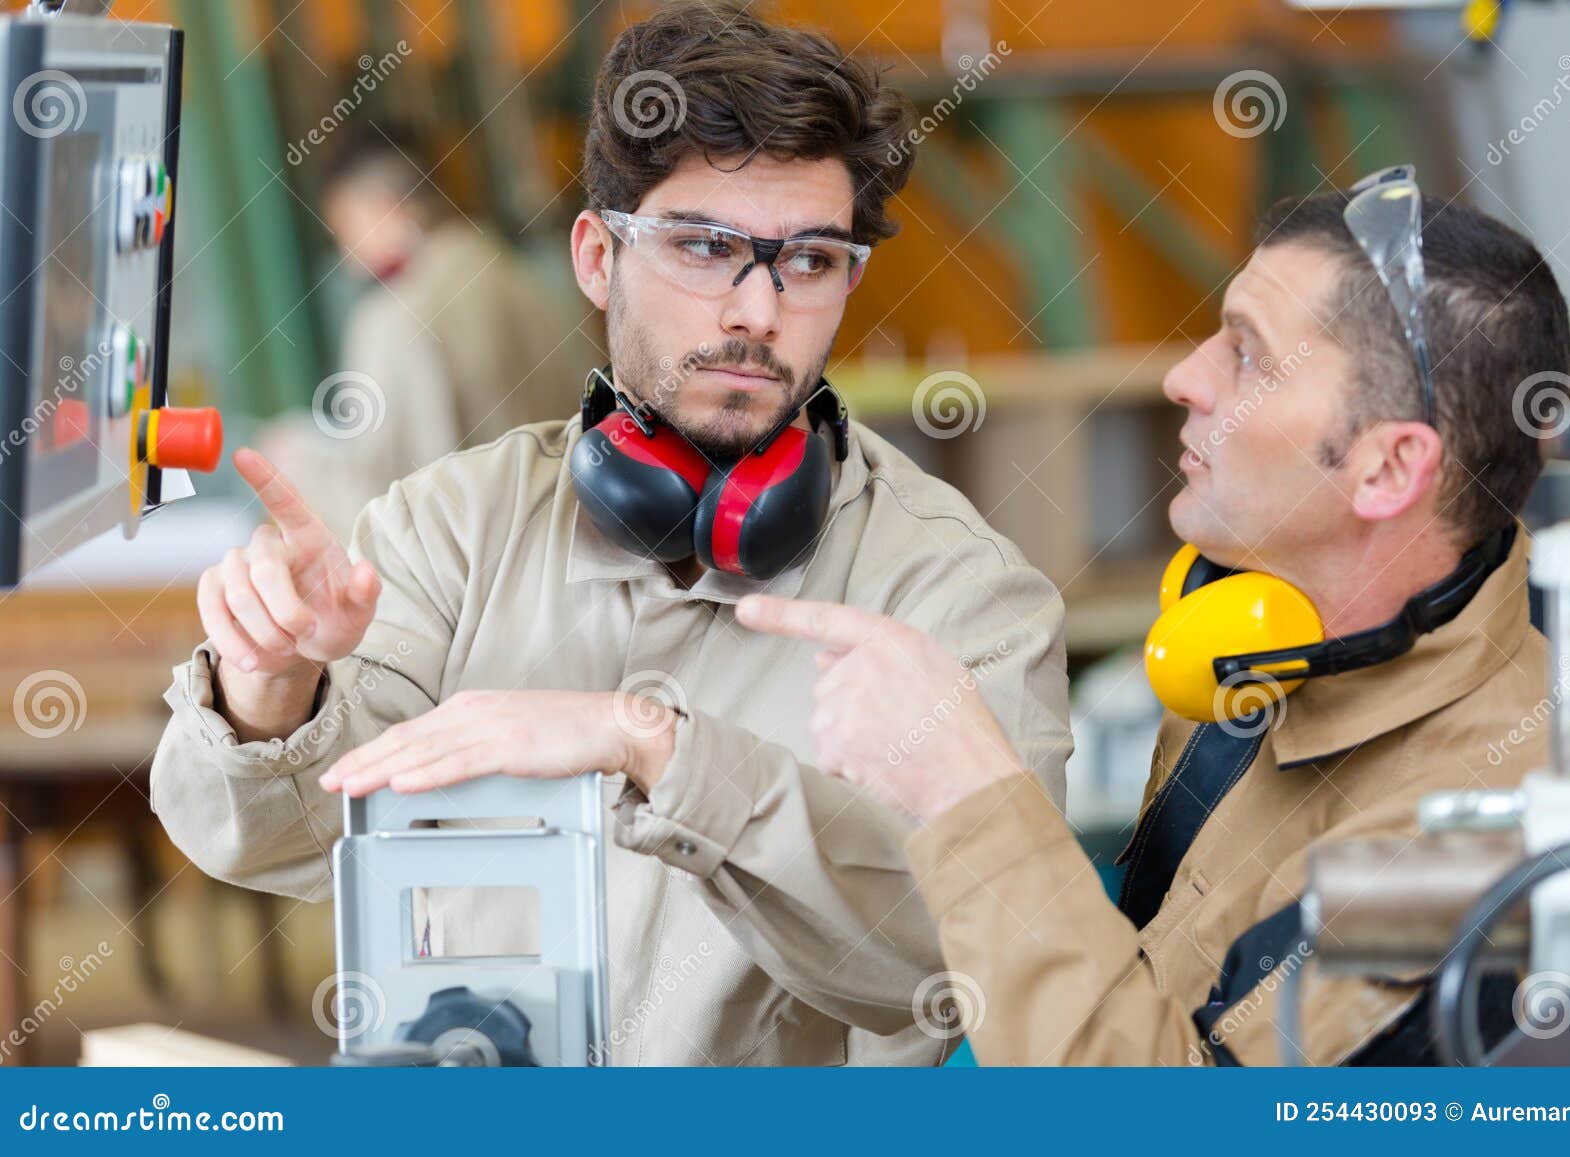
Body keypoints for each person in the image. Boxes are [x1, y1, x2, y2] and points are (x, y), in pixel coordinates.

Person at [149, 1, 1073, 1066]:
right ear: (596, 257)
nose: (758, 312)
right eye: (704, 247)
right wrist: (274, 686)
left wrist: (664, 751)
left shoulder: (962, 595)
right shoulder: (450, 523)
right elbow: (269, 836)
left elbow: (990, 968)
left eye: (809, 261)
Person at [738, 174, 1570, 1065]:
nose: (1185, 376)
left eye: (1247, 355)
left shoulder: (1472, 852)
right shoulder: (1259, 642)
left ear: (1386, 469)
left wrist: (968, 790)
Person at [256, 122, 587, 543]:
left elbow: (390, 503)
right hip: (565, 551)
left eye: (344, 227)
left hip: (474, 585)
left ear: (384, 208)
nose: (345, 254)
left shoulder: (394, 317)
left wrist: (293, 459)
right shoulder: (530, 282)